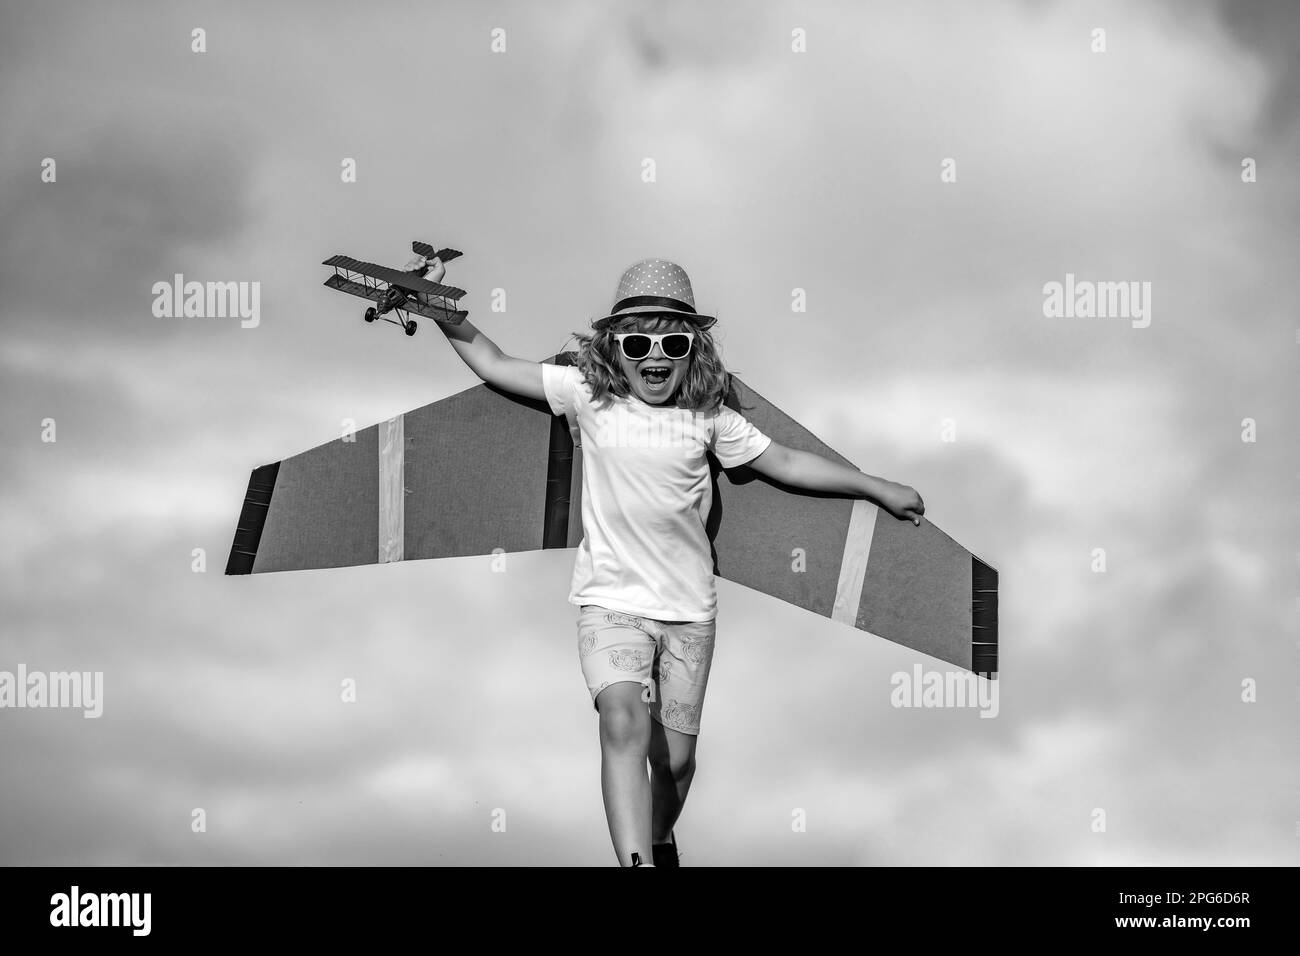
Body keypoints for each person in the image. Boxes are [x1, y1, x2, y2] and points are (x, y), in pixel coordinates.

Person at [428, 257, 924, 866]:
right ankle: (634, 862)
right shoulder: (587, 396)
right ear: (615, 349)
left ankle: (660, 839)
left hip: (688, 613)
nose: (654, 354)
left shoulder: (707, 419)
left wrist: (876, 485)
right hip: (610, 601)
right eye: (638, 341)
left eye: (673, 341)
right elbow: (498, 365)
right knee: (622, 722)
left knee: (678, 763)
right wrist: (442, 315)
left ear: (693, 350)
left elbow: (788, 465)